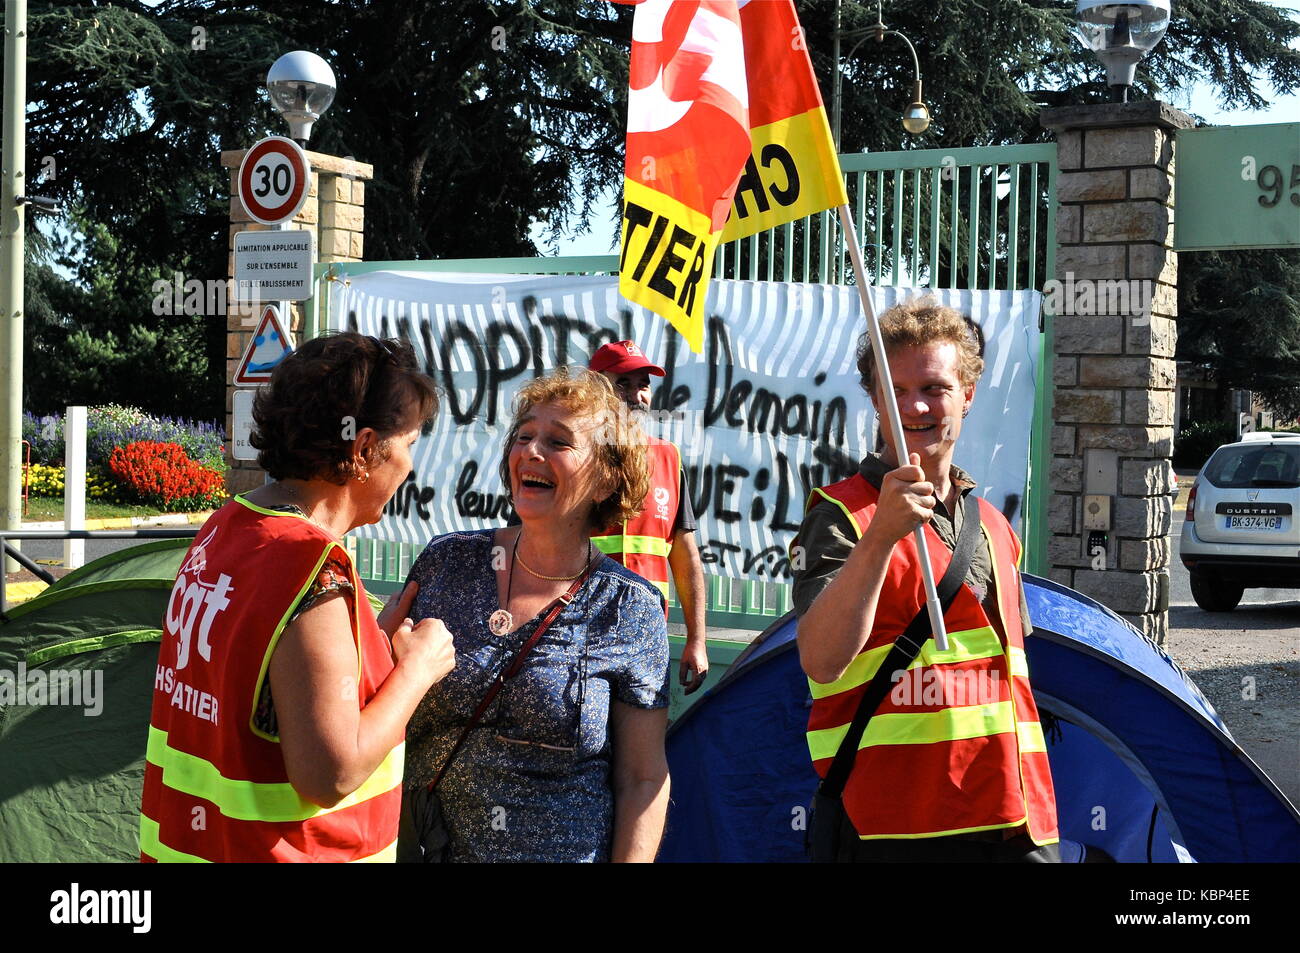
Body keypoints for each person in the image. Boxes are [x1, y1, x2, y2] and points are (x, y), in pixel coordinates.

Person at [140, 333, 457, 862]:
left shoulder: (229, 525)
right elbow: (330, 773)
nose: (410, 467)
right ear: (363, 450)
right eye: (410, 445)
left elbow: (261, 685)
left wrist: (368, 652)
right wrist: (417, 670)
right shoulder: (311, 568)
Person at [793, 299, 1060, 862]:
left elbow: (1009, 673)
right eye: (897, 388)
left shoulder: (993, 526)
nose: (915, 405)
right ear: (875, 399)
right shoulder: (842, 516)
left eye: (935, 387)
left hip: (1014, 815)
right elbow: (819, 659)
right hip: (896, 825)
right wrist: (881, 539)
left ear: (967, 393)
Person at [403, 367, 671, 862]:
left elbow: (643, 777)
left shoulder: (629, 607)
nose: (531, 451)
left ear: (606, 477)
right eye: (523, 436)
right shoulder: (447, 563)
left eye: (559, 441)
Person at [588, 340, 709, 694]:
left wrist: (696, 639)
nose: (635, 395)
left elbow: (685, 555)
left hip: (647, 634)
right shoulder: (571, 454)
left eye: (643, 385)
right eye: (621, 384)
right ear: (594, 391)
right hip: (579, 631)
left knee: (642, 743)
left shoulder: (668, 457)